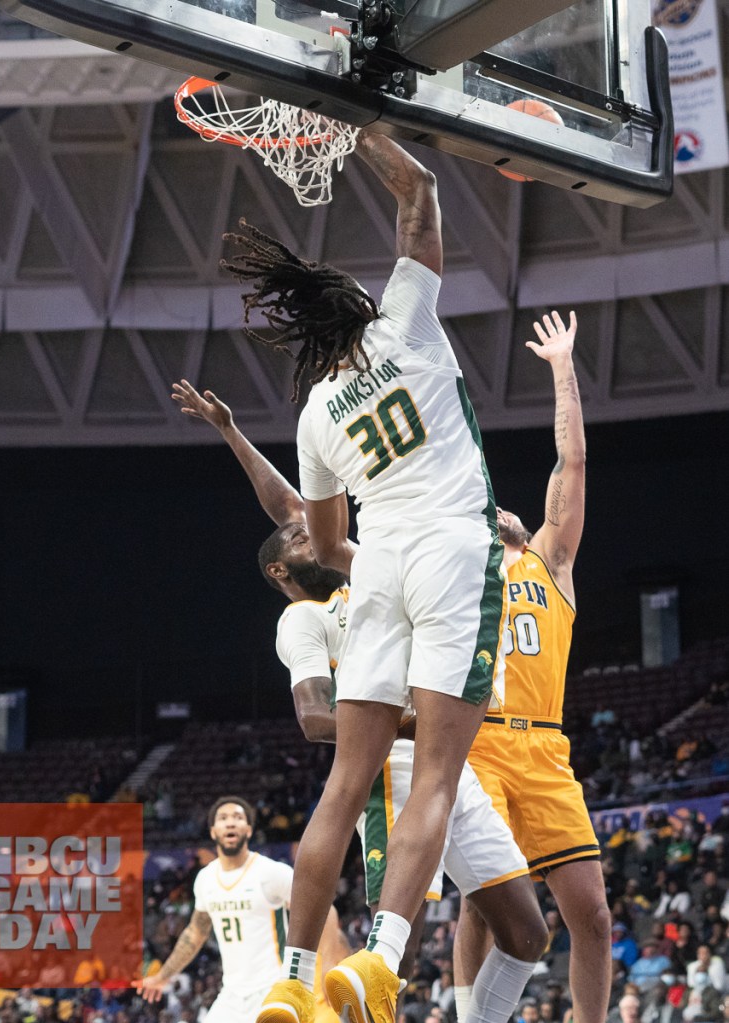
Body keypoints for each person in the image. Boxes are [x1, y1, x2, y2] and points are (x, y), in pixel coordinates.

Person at [216, 130, 510, 1023]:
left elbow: (323, 540)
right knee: (435, 773)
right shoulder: (405, 325)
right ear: (358, 302)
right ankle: (377, 960)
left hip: (376, 562)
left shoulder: (310, 414)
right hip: (453, 547)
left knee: (345, 785)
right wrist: (348, 123)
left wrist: (378, 561)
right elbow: (417, 193)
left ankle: (296, 977)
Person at [170, 378, 549, 1020]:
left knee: (528, 933)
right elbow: (318, 719)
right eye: (297, 543)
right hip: (399, 772)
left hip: (454, 771)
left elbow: (290, 505)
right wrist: (421, 723)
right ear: (280, 574)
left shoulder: (360, 571)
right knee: (390, 962)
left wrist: (231, 432)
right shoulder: (304, 621)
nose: (310, 535)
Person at [452, 307, 612, 1023]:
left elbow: (571, 462)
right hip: (478, 741)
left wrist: (560, 369)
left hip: (544, 744)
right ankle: (468, 1011)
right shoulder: (458, 573)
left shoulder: (549, 559)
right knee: (484, 903)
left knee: (594, 914)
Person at [134, 796, 342, 1023]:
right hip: (232, 994)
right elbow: (195, 932)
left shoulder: (270, 872)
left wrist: (329, 964)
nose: (231, 823)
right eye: (223, 818)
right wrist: (164, 975)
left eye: (238, 817)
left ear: (249, 830)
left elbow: (324, 908)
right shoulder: (205, 879)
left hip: (274, 988)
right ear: (213, 831)